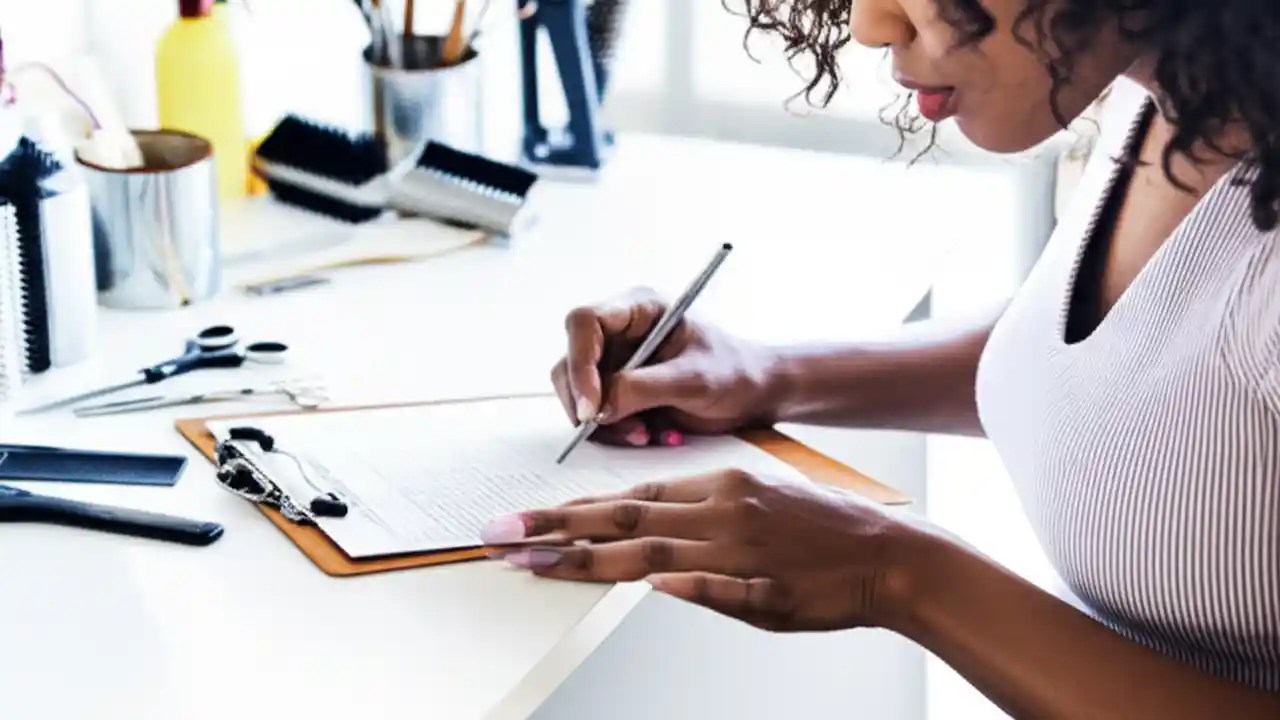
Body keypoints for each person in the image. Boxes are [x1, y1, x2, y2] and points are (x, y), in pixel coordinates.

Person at [480, 0, 1280, 715]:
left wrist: (900, 574)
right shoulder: (1173, 87)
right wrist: (766, 374)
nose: (868, 24)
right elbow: (1152, 365)